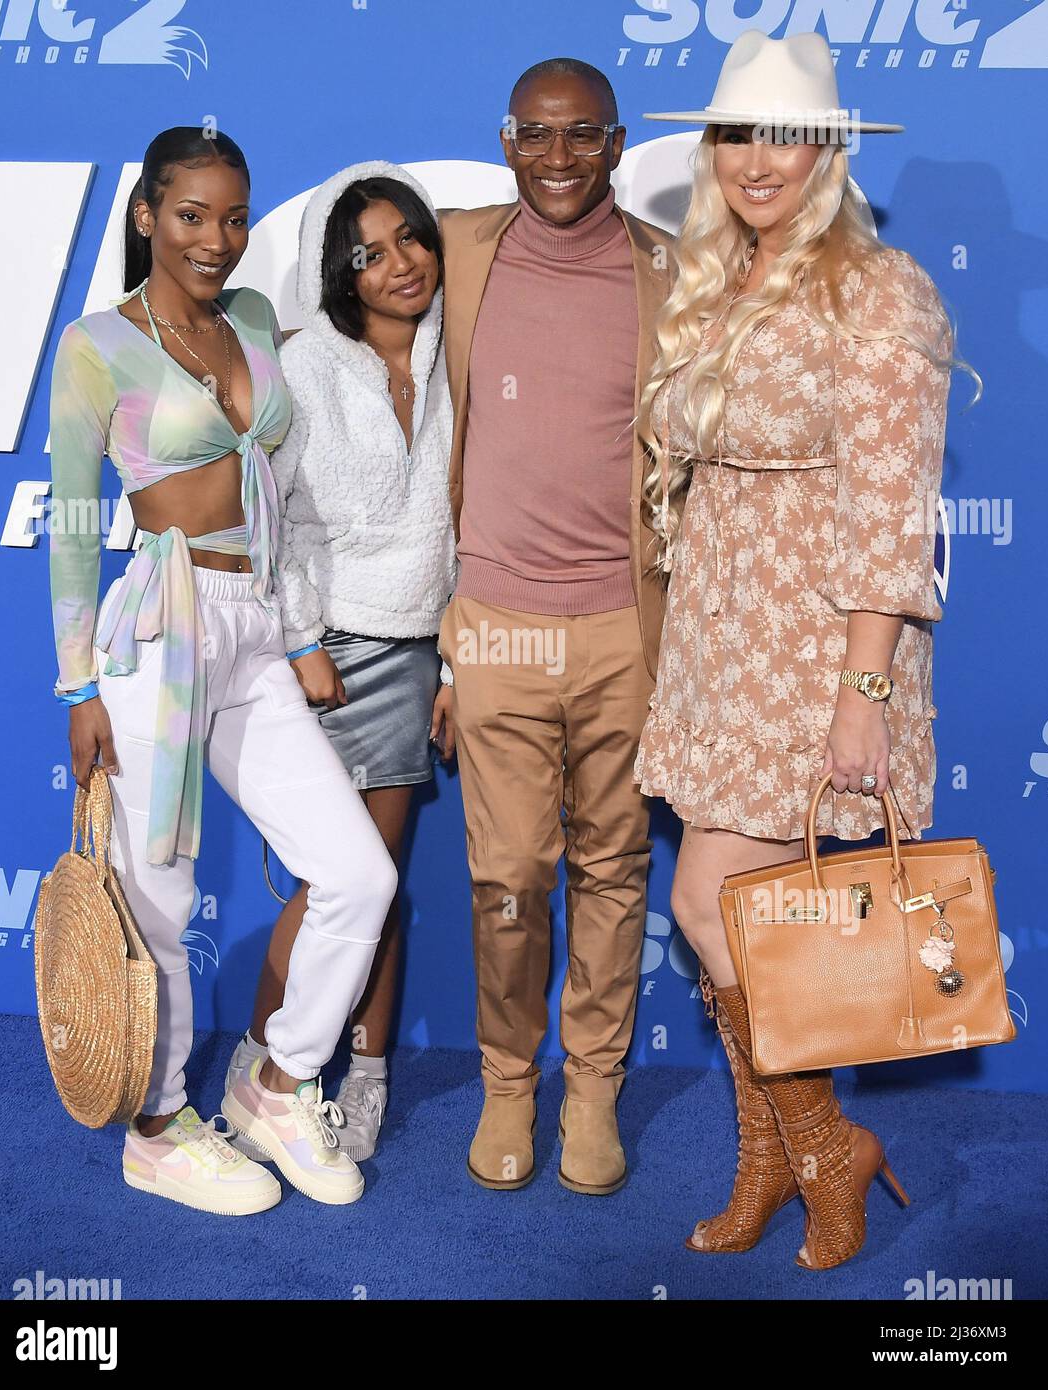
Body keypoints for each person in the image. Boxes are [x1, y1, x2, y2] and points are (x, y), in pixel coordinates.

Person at [634, 31, 977, 1267]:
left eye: (783, 134)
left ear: (826, 148)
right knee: (744, 918)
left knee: (711, 906)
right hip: (721, 642)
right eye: (734, 133)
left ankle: (821, 1148)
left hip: (818, 648)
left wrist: (861, 694)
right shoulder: (713, 280)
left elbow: (890, 511)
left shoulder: (877, 293)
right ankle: (777, 1157)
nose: (755, 159)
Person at [48, 127, 397, 1214]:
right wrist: (78, 688)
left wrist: (293, 632)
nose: (216, 237)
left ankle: (277, 1081)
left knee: (357, 874)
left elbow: (273, 499)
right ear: (148, 214)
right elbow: (70, 525)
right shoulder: (96, 343)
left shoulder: (251, 320)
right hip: (160, 629)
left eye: (234, 217)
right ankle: (156, 1125)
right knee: (160, 891)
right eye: (192, 214)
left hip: (252, 625)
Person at [438, 58, 675, 1195]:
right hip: (494, 625)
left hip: (625, 628)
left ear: (619, 143)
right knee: (509, 878)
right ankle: (504, 1080)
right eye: (534, 134)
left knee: (614, 869)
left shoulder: (671, 275)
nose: (557, 158)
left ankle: (591, 1087)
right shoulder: (453, 249)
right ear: (504, 141)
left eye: (581, 136)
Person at [222, 162, 457, 1163]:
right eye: (368, 253)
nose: (398, 265)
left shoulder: (467, 355)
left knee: (376, 883)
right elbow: (263, 515)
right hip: (323, 653)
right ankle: (267, 1070)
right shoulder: (304, 363)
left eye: (411, 238)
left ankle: (359, 1078)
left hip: (414, 651)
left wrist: (455, 659)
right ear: (338, 272)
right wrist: (307, 640)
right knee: (331, 888)